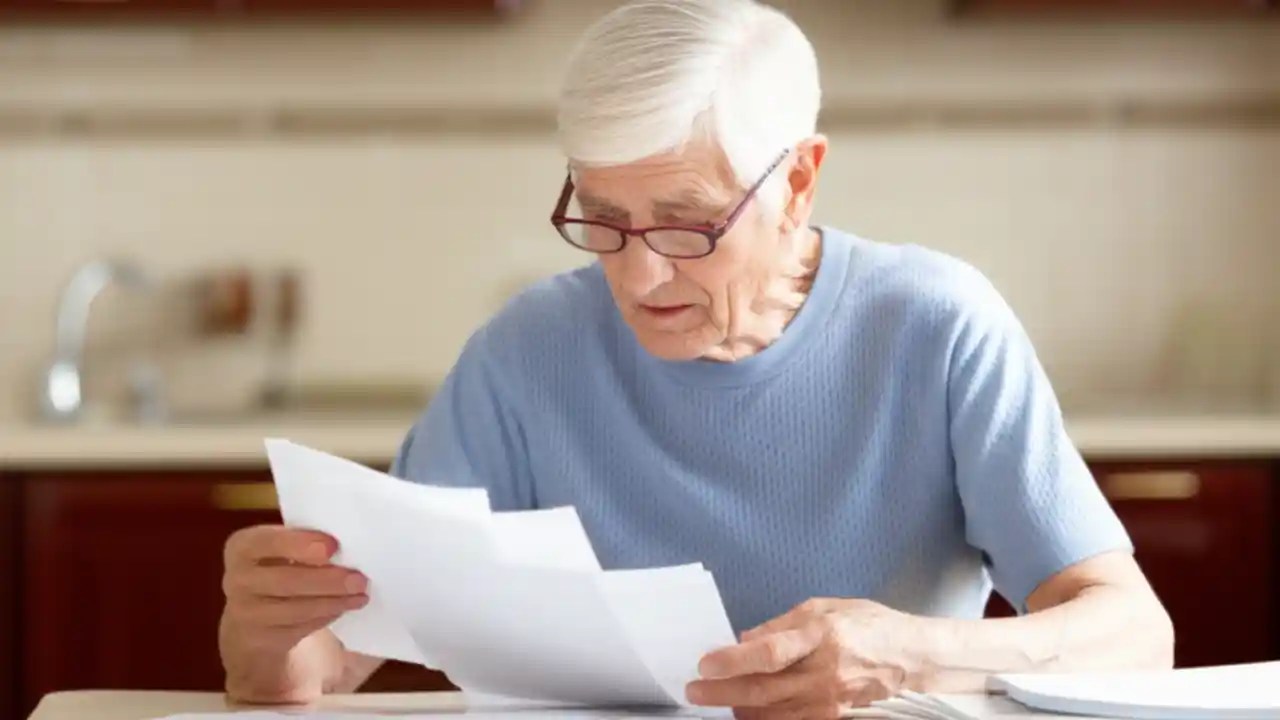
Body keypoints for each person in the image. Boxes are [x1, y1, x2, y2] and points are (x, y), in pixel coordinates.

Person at [219, 0, 1173, 716]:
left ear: (797, 182)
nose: (637, 276)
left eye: (684, 223)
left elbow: (1136, 634)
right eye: (602, 217)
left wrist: (911, 654)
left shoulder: (935, 326)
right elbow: (324, 669)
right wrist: (262, 636)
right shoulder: (527, 352)